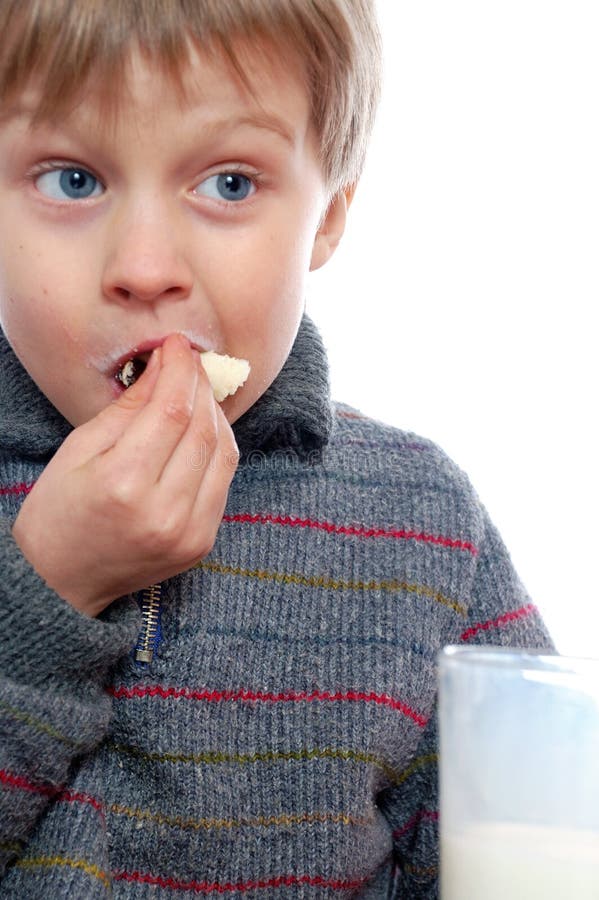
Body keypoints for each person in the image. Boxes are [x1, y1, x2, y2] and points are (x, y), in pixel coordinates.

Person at [0, 1, 553, 896]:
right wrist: (48, 588)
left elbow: (537, 848)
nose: (144, 265)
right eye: (71, 179)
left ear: (329, 215)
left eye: (227, 183)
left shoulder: (421, 521)